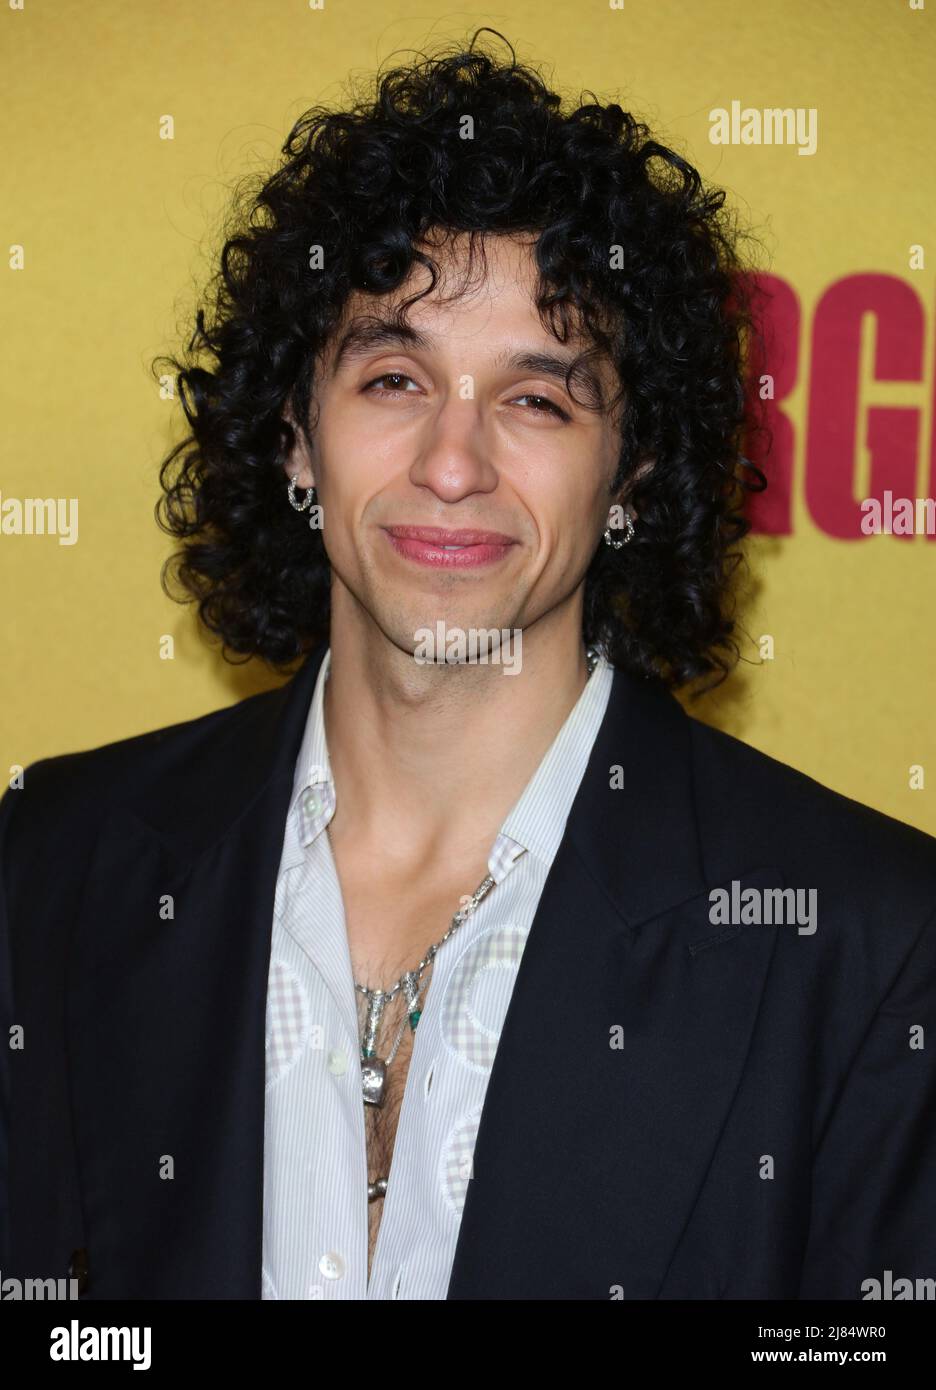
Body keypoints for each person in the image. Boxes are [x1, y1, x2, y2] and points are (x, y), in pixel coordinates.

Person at [2, 32, 935, 1302]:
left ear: (633, 470)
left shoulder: (866, 942)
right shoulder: (54, 869)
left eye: (537, 399)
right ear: (296, 437)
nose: (454, 463)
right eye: (395, 378)